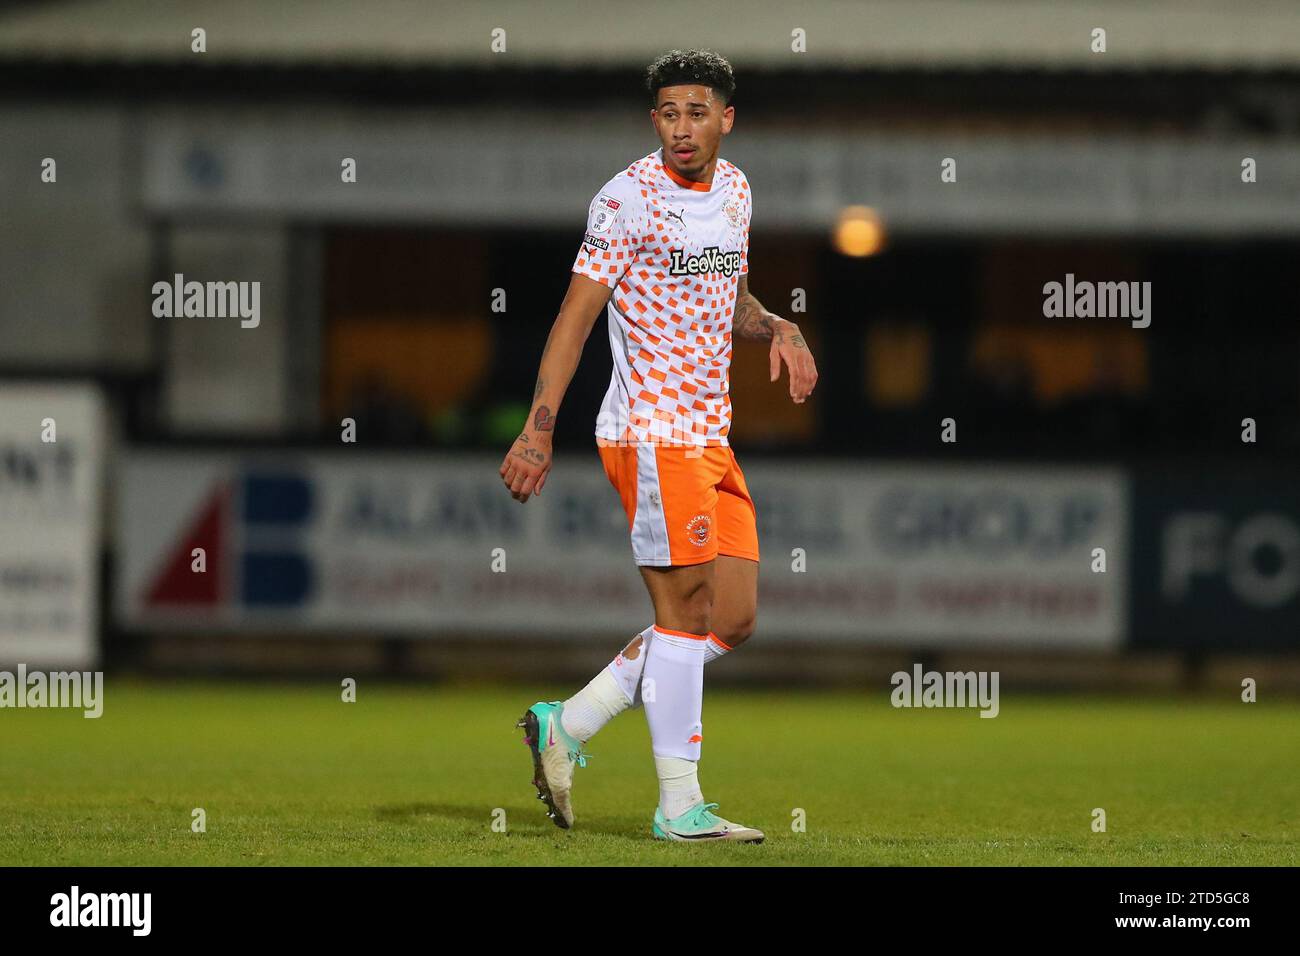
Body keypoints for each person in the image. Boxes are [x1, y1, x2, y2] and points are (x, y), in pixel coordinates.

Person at [498, 49, 818, 842]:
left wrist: (775, 323)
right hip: (650, 433)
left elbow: (728, 294)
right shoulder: (626, 199)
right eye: (669, 114)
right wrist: (540, 429)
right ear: (656, 122)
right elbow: (573, 319)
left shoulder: (737, 190)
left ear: (726, 118)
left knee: (731, 619)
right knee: (683, 615)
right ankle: (680, 807)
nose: (682, 129)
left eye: (697, 112)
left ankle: (564, 722)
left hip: (712, 433)